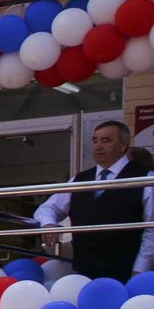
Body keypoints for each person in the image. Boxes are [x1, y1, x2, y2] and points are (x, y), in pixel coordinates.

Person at [34, 119, 154, 280]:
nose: (98, 146)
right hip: (85, 272)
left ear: (123, 145)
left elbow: (151, 228)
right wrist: (49, 224)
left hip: (127, 271)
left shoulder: (145, 178)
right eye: (95, 140)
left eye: (106, 140)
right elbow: (47, 208)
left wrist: (140, 270)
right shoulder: (79, 180)